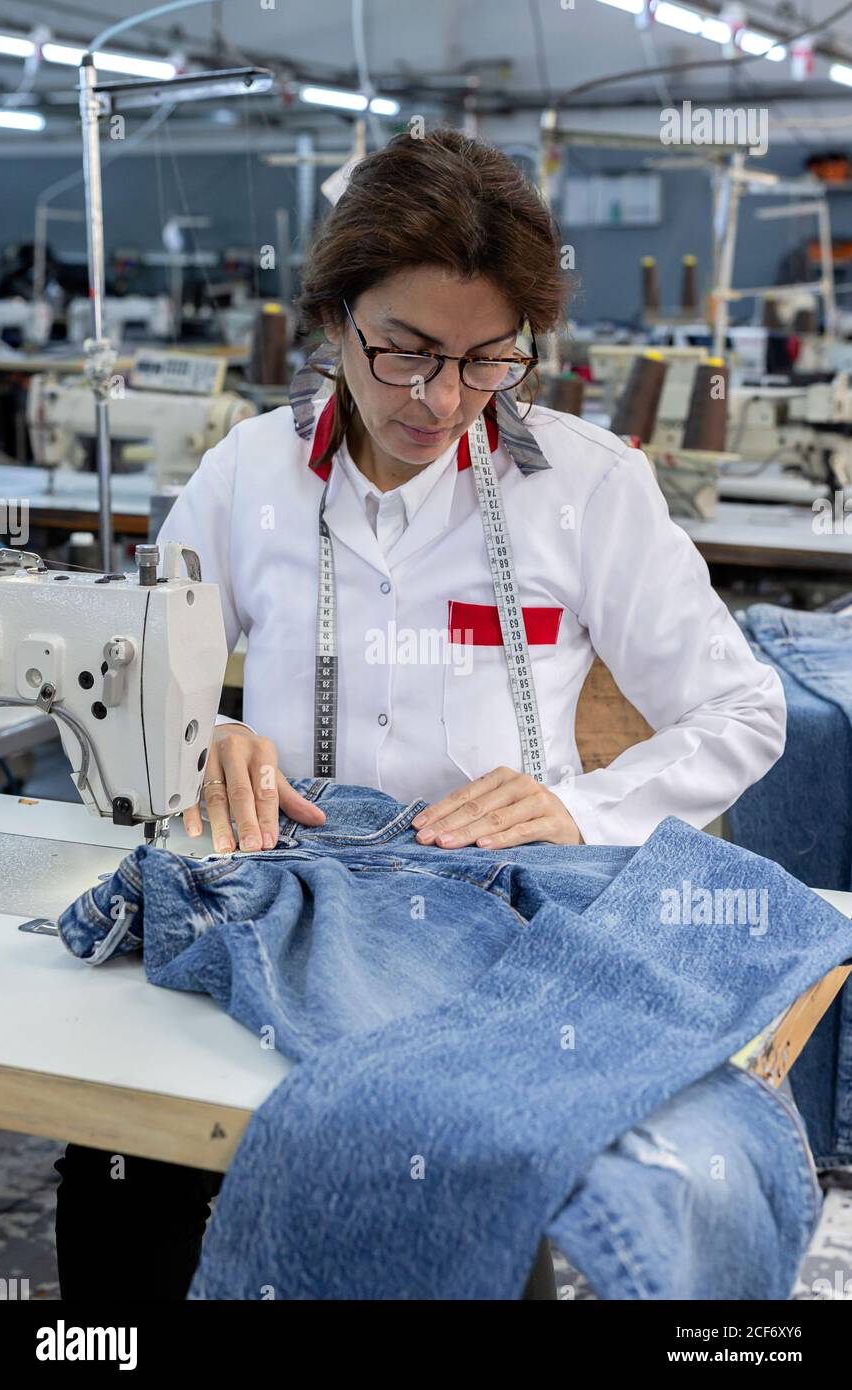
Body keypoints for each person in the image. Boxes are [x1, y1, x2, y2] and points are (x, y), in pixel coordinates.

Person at [54, 128, 786, 1301]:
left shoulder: (586, 488)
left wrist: (576, 803)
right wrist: (201, 734)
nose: (441, 398)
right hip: (286, 902)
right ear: (336, 319)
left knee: (468, 1182)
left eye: (486, 359)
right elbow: (134, 680)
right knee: (122, 1172)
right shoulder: (248, 475)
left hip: (492, 930)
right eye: (401, 352)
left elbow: (744, 710)